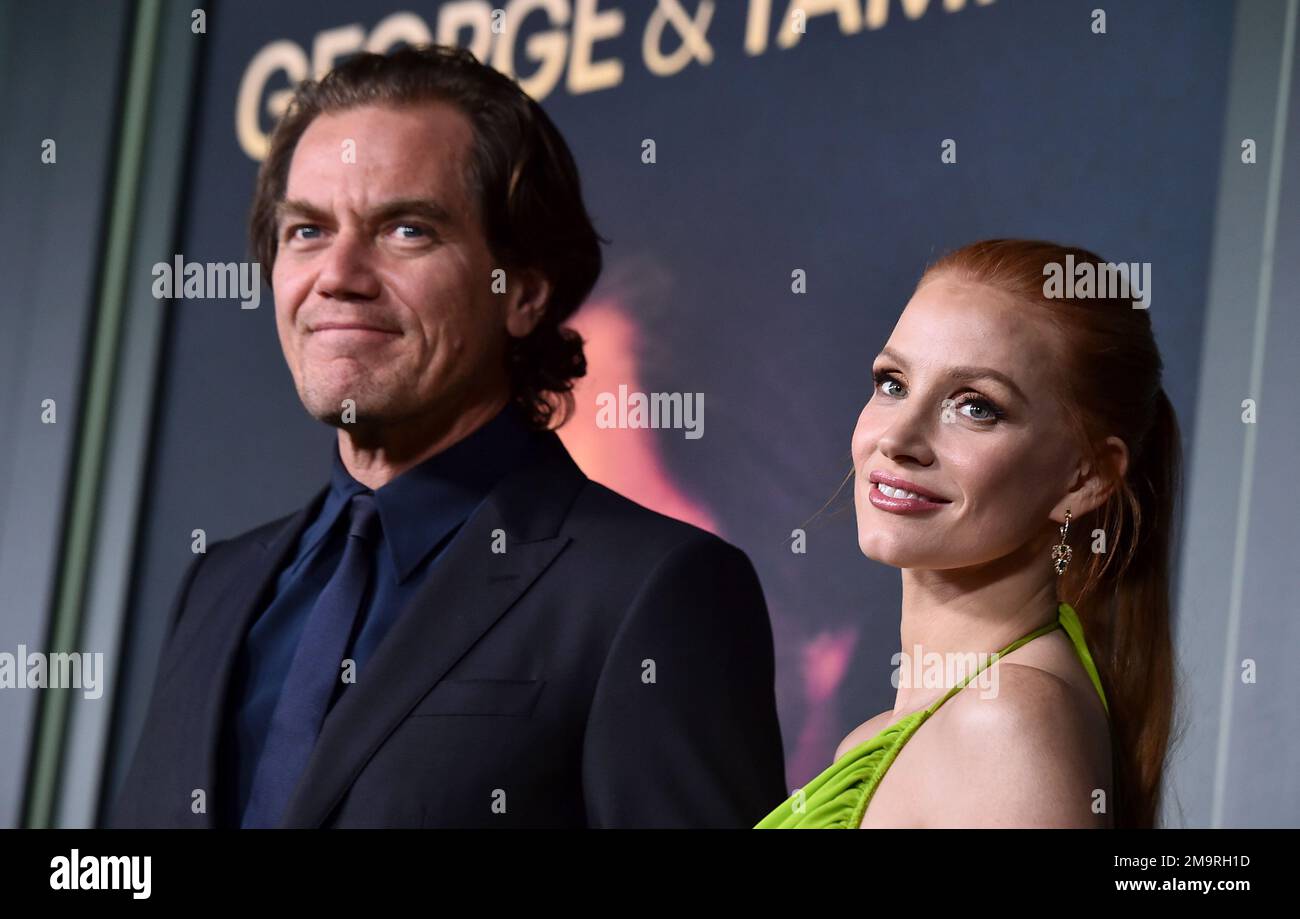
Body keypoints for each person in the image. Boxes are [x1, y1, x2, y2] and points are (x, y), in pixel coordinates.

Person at [109, 45, 786, 828]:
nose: (337, 274)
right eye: (306, 231)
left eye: (405, 229)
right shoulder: (217, 585)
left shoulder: (653, 590)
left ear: (524, 292)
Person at [757, 239, 1180, 828]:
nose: (898, 438)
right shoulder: (898, 735)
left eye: (976, 406)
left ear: (1086, 478)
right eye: (893, 383)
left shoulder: (1003, 725)